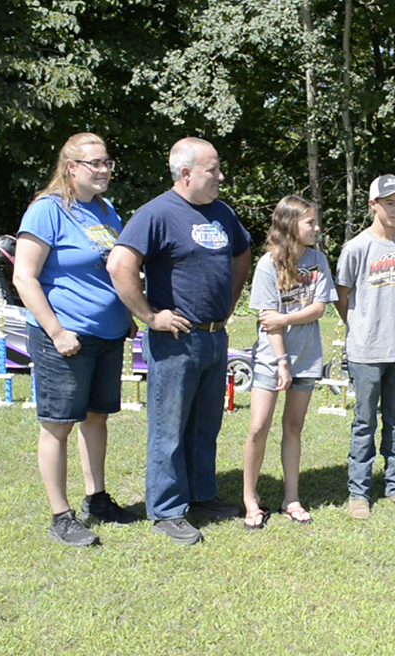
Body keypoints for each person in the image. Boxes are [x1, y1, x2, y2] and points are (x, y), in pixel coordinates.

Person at [107, 137, 251, 546]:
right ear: (186, 173)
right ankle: (168, 509)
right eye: (213, 170)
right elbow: (120, 264)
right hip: (175, 340)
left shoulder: (222, 213)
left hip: (213, 336)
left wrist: (230, 301)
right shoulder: (156, 213)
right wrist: (150, 315)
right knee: (169, 429)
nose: (220, 176)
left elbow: (242, 252)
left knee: (206, 425)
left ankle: (201, 495)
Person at [12, 132, 138, 548]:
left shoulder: (105, 211)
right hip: (64, 336)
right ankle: (60, 515)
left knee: (97, 417)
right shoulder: (46, 211)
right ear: (71, 168)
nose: (104, 170)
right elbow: (24, 276)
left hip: (107, 334)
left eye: (107, 162)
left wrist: (130, 313)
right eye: (94, 164)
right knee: (58, 425)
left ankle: (97, 499)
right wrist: (56, 331)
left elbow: (113, 268)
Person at [335, 174, 395, 519]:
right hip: (365, 351)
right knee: (363, 422)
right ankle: (359, 493)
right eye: (390, 203)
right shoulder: (357, 248)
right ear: (373, 205)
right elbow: (342, 296)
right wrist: (360, 328)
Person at [241, 195, 336, 529]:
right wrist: (281, 362)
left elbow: (319, 308)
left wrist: (285, 318)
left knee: (294, 427)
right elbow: (269, 322)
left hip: (308, 358)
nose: (317, 228)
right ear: (290, 225)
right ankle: (250, 501)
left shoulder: (318, 260)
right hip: (271, 359)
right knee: (258, 427)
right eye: (310, 222)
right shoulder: (268, 264)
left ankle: (290, 498)